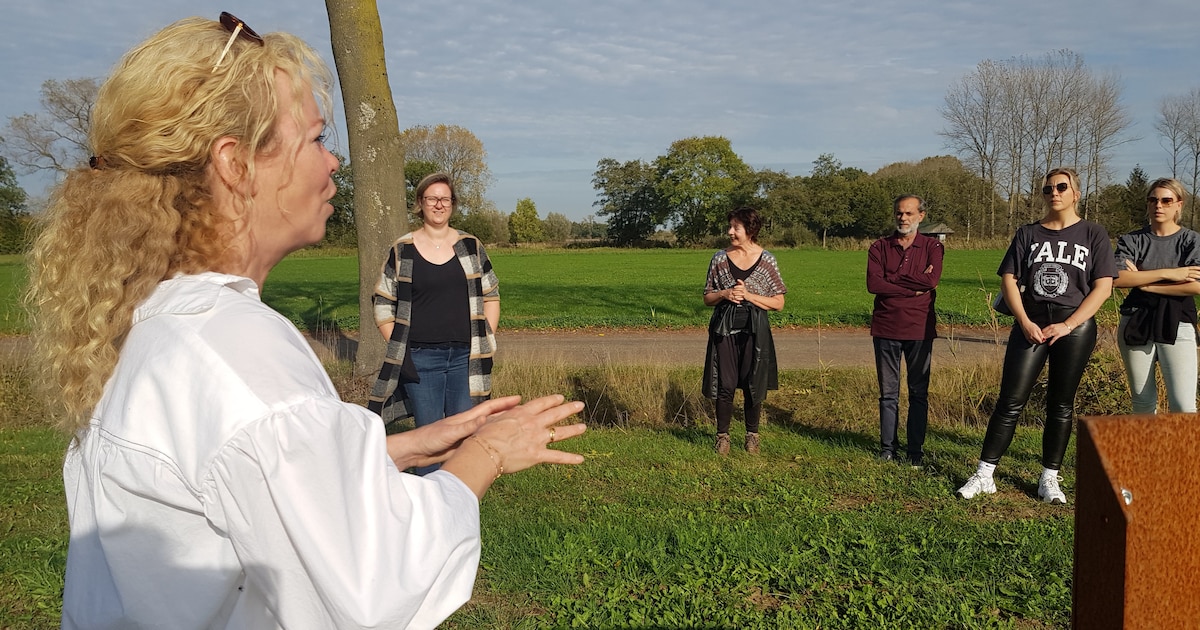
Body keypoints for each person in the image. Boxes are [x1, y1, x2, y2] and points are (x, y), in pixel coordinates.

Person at [29, 14, 585, 629]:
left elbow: (248, 483)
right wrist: (488, 453)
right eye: (316, 139)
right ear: (236, 166)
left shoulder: (163, 323)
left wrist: (400, 447)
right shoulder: (236, 350)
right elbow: (375, 583)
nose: (334, 162)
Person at [956, 167, 1117, 505]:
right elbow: (1009, 280)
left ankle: (1049, 478)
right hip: (1031, 323)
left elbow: (1103, 286)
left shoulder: (1093, 233)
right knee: (1010, 400)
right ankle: (985, 474)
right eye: (1048, 188)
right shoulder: (1028, 233)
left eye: (1062, 187)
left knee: (1061, 404)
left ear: (1076, 193)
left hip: (1073, 328)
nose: (1054, 193)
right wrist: (1025, 321)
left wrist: (1069, 324)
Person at [368, 172, 501, 475]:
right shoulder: (404, 249)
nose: (438, 205)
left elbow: (491, 294)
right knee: (428, 440)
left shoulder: (471, 246)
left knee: (465, 436)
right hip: (420, 360)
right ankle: (427, 505)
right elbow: (383, 302)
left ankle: (459, 501)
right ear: (420, 204)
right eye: (432, 199)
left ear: (453, 204)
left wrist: (486, 338)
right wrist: (402, 351)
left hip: (465, 360)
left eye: (444, 199)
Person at [866, 195, 944, 467]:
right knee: (888, 394)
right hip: (886, 328)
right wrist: (912, 287)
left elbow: (932, 280)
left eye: (909, 213)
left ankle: (915, 452)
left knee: (918, 393)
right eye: (899, 213)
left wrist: (892, 280)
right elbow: (873, 284)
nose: (903, 218)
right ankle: (887, 449)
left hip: (919, 329)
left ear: (921, 216)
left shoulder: (933, 246)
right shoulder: (879, 247)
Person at [702, 206, 787, 454]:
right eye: (730, 226)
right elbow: (707, 298)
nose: (730, 231)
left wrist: (749, 295)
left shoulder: (767, 259)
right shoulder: (719, 258)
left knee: (754, 382)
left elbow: (779, 303)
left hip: (755, 330)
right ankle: (722, 437)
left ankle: (752, 435)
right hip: (724, 330)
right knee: (725, 384)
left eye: (736, 227)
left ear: (750, 230)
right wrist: (724, 293)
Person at [1113, 177, 1200, 414]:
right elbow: (1118, 278)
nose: (1158, 205)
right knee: (1142, 404)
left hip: (1179, 321)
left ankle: (1183, 453)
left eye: (1166, 200)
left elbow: (1196, 286)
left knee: (1183, 406)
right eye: (1153, 200)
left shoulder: (1191, 241)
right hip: (1136, 319)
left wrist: (1146, 283)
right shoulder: (1132, 240)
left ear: (1179, 204)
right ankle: (1147, 452)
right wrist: (1172, 273)